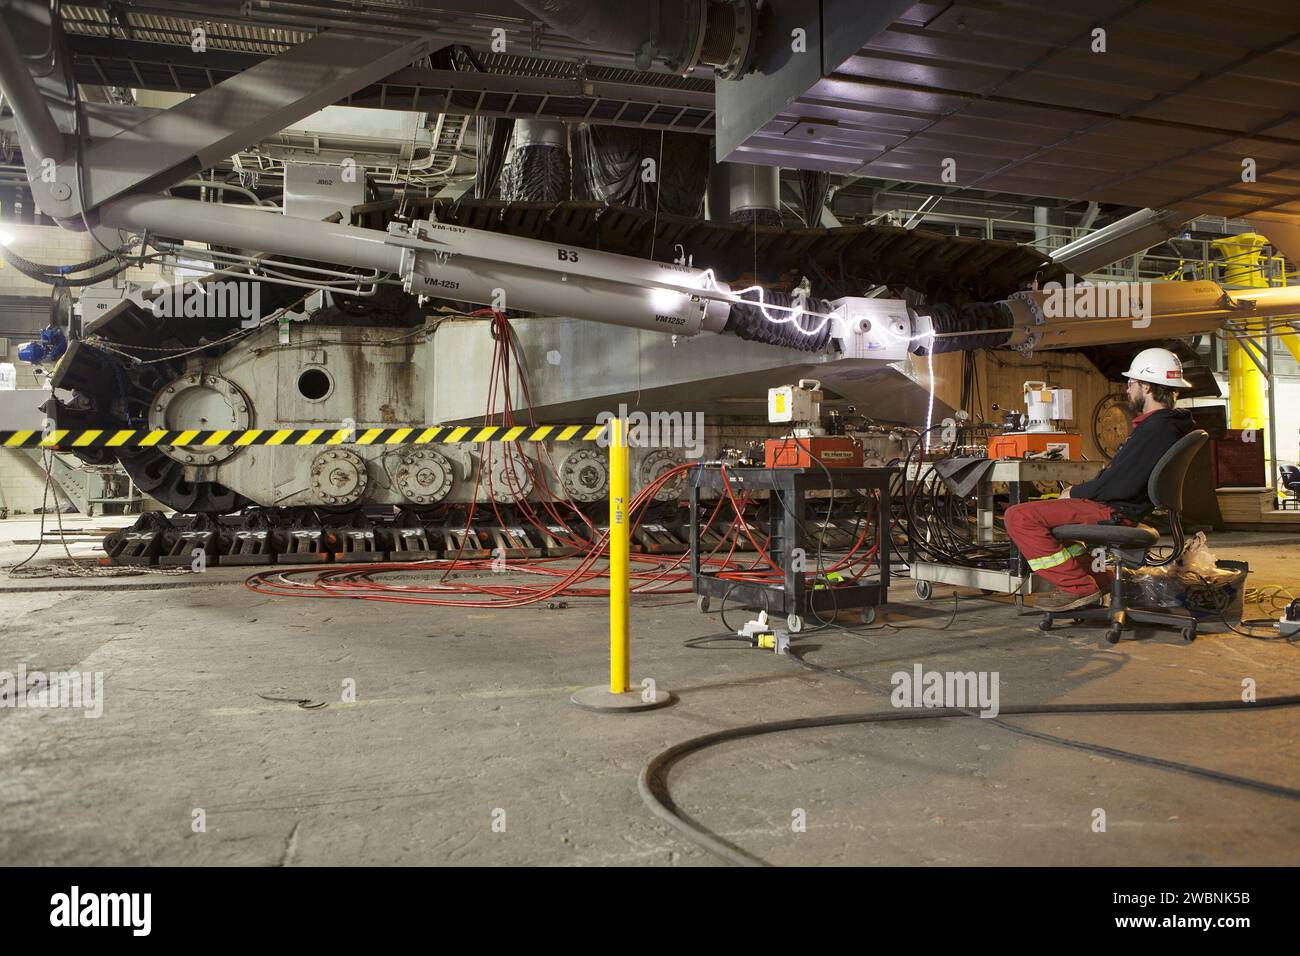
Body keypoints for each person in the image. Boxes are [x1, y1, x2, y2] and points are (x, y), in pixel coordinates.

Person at [1003, 347, 1196, 611]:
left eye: (1132, 384)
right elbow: (1124, 477)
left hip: (1115, 508)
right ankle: (1099, 579)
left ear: (1147, 388)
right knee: (1047, 513)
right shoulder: (1168, 426)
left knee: (1019, 516)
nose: (1128, 391)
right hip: (1123, 506)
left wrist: (1075, 492)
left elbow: (1120, 484)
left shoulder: (1156, 429)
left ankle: (1079, 588)